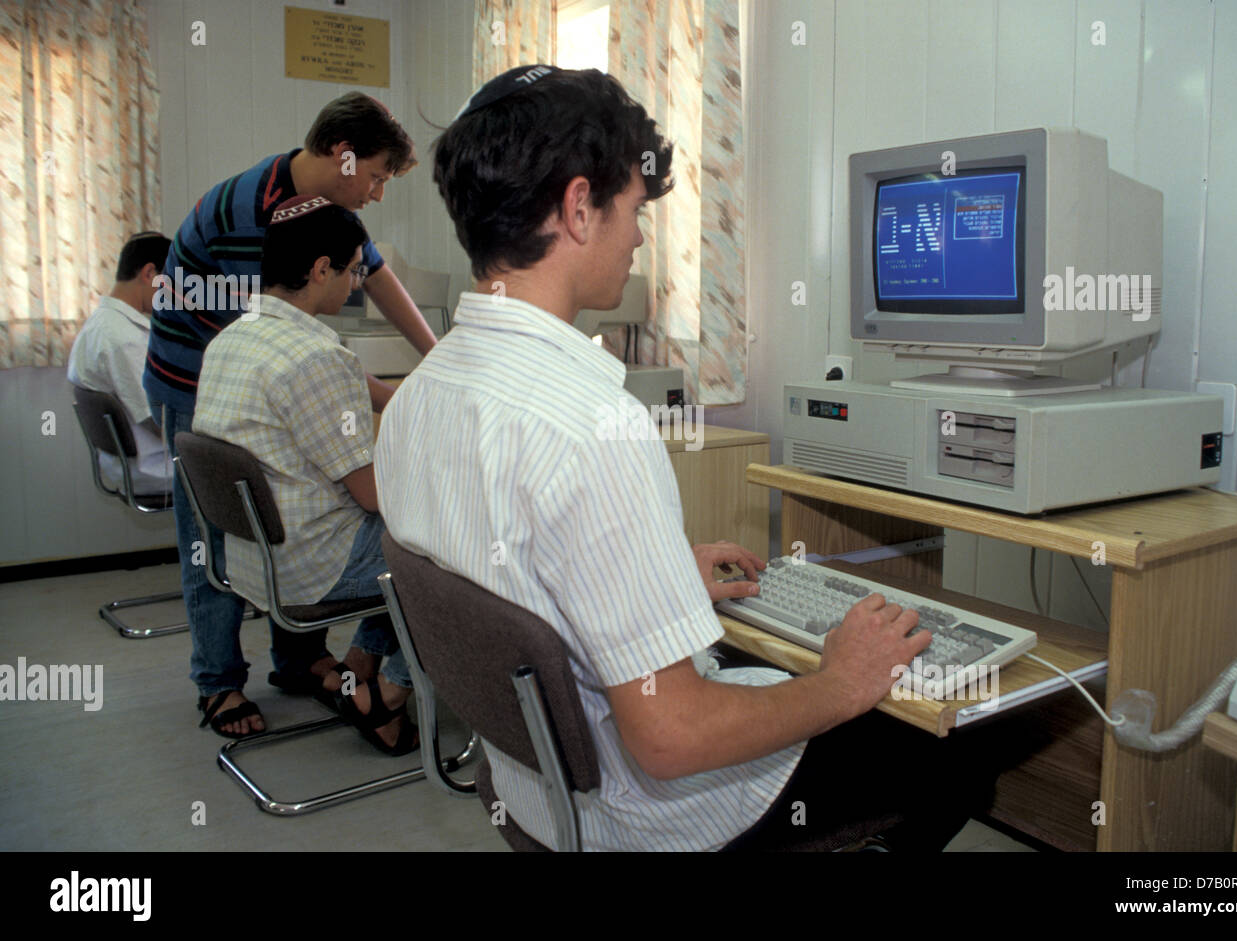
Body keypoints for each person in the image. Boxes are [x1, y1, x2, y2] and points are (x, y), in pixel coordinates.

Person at [375, 66, 986, 851]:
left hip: (531, 792)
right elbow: (671, 736)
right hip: (643, 816)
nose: (637, 237)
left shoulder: (420, 397)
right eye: (633, 209)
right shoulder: (596, 428)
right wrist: (838, 682)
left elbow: (506, 579)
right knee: (958, 744)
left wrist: (647, 575)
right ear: (578, 207)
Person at [145, 93, 437, 737]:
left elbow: (341, 305)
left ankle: (303, 659)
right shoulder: (248, 209)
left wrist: (434, 368)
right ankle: (218, 683)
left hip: (234, 356)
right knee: (213, 537)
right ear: (346, 156)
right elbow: (302, 362)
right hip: (188, 373)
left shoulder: (320, 223)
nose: (381, 192)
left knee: (273, 507)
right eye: (381, 175)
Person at [193, 195, 415, 753]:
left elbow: (340, 390)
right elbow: (371, 496)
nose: (357, 283)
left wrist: (407, 405)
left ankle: (357, 671)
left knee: (414, 536)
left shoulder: (231, 340)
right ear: (321, 270)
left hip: (252, 557)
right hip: (311, 565)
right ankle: (390, 692)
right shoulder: (317, 358)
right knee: (453, 546)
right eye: (352, 270)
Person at [68, 231, 174, 497]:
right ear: (150, 273)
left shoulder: (101, 323)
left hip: (124, 460)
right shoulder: (122, 338)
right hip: (152, 464)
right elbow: (159, 420)